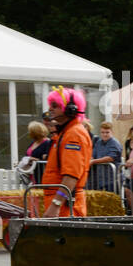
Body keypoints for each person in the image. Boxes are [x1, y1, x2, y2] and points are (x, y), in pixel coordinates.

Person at [39, 87, 93, 217]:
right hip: (63, 203)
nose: (50, 109)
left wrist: (56, 204)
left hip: (67, 206)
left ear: (70, 109)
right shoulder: (65, 133)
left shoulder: (73, 134)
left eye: (55, 105)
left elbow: (71, 175)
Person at [88, 121, 123, 194]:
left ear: (112, 132)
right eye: (102, 132)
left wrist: (93, 161)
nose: (105, 135)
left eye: (107, 132)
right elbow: (93, 154)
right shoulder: (98, 142)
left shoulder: (114, 143)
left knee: (112, 201)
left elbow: (111, 158)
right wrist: (90, 159)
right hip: (100, 179)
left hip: (112, 179)